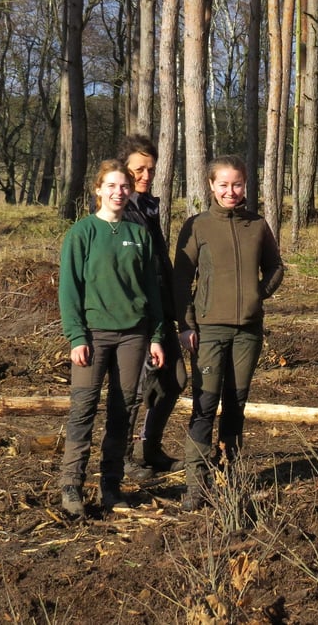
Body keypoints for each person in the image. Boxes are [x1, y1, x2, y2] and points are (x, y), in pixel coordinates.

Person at [172, 155, 284, 510]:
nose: (230, 191)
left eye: (236, 184)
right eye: (223, 184)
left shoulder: (258, 225)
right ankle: (197, 482)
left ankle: (232, 473)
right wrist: (186, 324)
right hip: (208, 329)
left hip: (248, 331)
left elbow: (275, 268)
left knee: (236, 403)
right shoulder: (197, 226)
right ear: (211, 186)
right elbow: (180, 280)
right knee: (205, 403)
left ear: (246, 184)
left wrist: (258, 294)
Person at [58, 160, 166, 516]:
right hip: (93, 336)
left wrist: (157, 334)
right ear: (98, 190)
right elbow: (70, 290)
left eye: (124, 187)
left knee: (124, 411)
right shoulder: (82, 233)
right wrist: (77, 336)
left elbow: (153, 290)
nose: (119, 192)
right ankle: (71, 486)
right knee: (83, 409)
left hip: (133, 335)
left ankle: (111, 486)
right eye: (112, 186)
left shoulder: (140, 235)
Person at [118, 135, 184, 476]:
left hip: (160, 311)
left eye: (151, 169)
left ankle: (150, 447)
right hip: (135, 315)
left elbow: (160, 262)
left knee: (175, 380)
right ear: (124, 170)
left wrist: (175, 309)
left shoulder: (148, 207)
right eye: (139, 169)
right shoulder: (118, 212)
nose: (146, 175)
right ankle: (123, 457)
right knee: (136, 386)